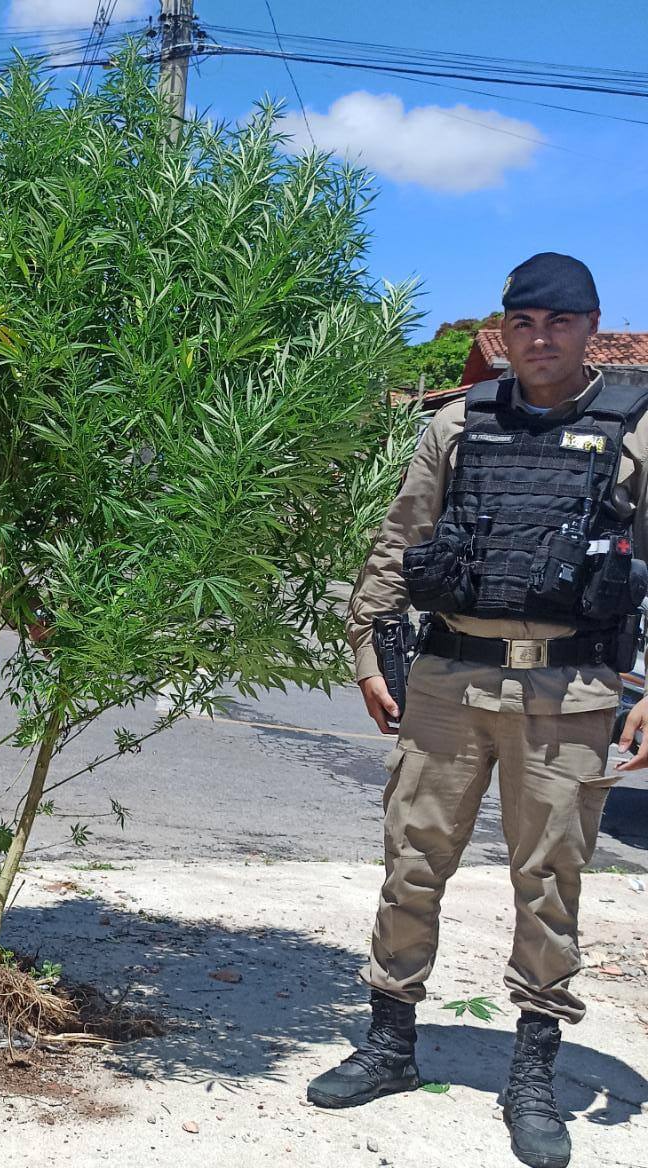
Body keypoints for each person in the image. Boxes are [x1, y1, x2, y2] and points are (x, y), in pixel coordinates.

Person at [307, 253, 648, 1168]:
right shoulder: (459, 426)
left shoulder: (637, 429)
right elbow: (400, 540)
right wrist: (370, 652)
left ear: (591, 326)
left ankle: (532, 1075)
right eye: (525, 323)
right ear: (506, 331)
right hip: (450, 684)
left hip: (571, 692)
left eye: (560, 323)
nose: (541, 340)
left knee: (549, 879)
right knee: (411, 863)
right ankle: (389, 1045)